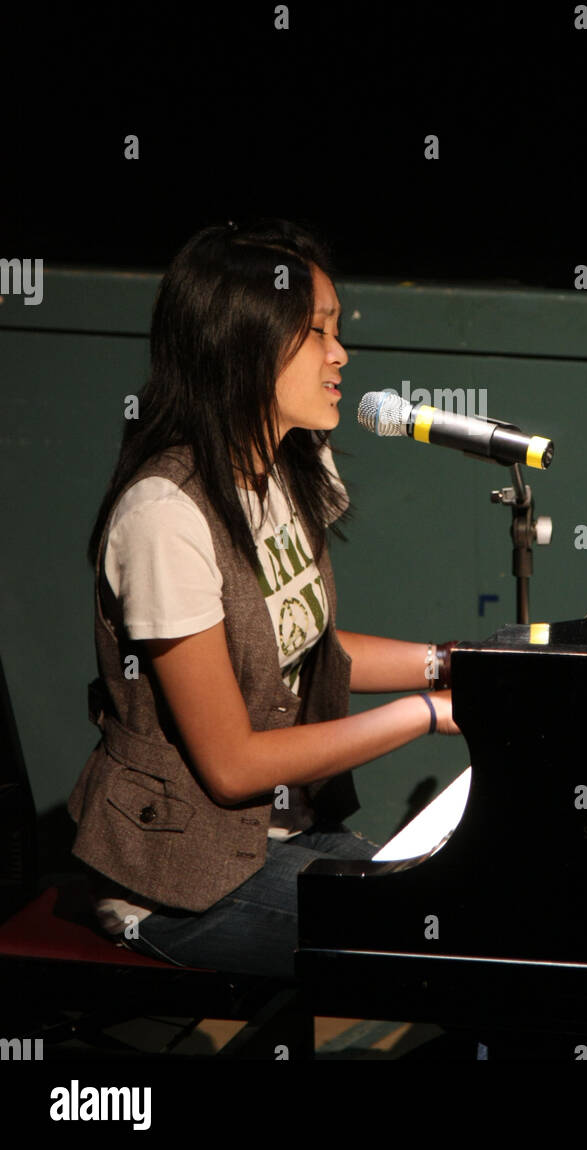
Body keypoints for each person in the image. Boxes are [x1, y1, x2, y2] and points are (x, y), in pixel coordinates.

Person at [67, 217, 460, 979]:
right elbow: (234, 766)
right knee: (428, 940)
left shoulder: (287, 466)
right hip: (181, 878)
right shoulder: (164, 516)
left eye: (336, 330)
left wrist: (448, 664)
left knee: (460, 906)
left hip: (280, 833)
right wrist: (425, 715)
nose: (341, 353)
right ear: (243, 346)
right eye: (317, 333)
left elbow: (308, 642)